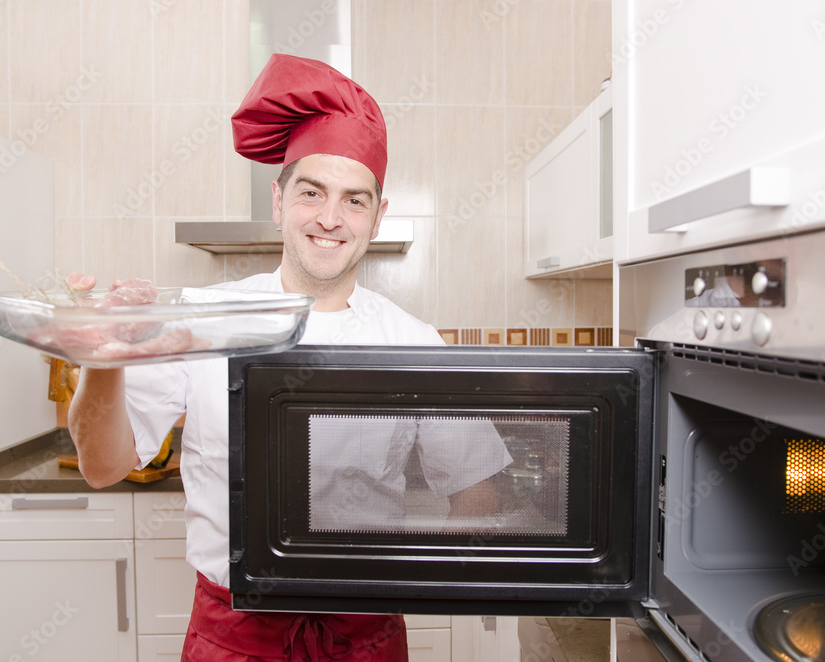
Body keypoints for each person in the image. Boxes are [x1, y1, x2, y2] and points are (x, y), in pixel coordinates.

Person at [67, 54, 510, 661]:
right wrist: (103, 361)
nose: (331, 218)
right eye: (312, 193)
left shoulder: (412, 342)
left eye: (354, 201)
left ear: (378, 217)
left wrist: (428, 559)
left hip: (365, 632)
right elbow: (102, 466)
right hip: (233, 632)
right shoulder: (201, 322)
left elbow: (476, 491)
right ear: (278, 201)